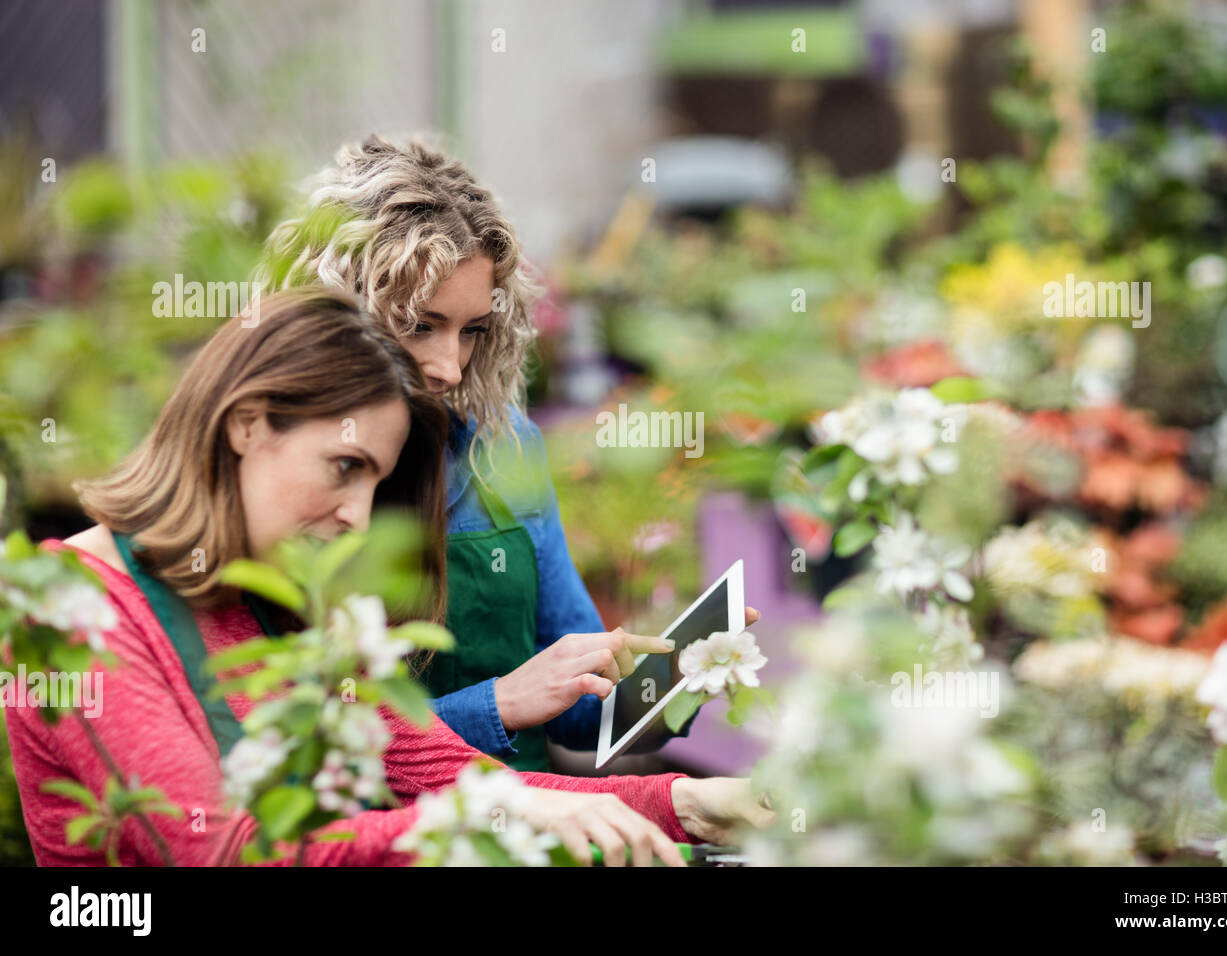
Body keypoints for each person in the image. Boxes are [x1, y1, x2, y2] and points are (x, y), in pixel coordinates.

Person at [3, 289, 771, 866]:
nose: (357, 519)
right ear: (247, 422)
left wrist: (686, 802)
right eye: (345, 469)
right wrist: (482, 818)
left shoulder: (278, 605)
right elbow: (225, 850)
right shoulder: (74, 613)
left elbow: (442, 772)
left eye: (374, 485)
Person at [257, 134, 759, 770]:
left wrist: (676, 678)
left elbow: (580, 716)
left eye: (472, 331)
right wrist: (497, 705)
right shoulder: (278, 479)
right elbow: (298, 752)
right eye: (420, 325)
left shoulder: (501, 446)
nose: (449, 365)